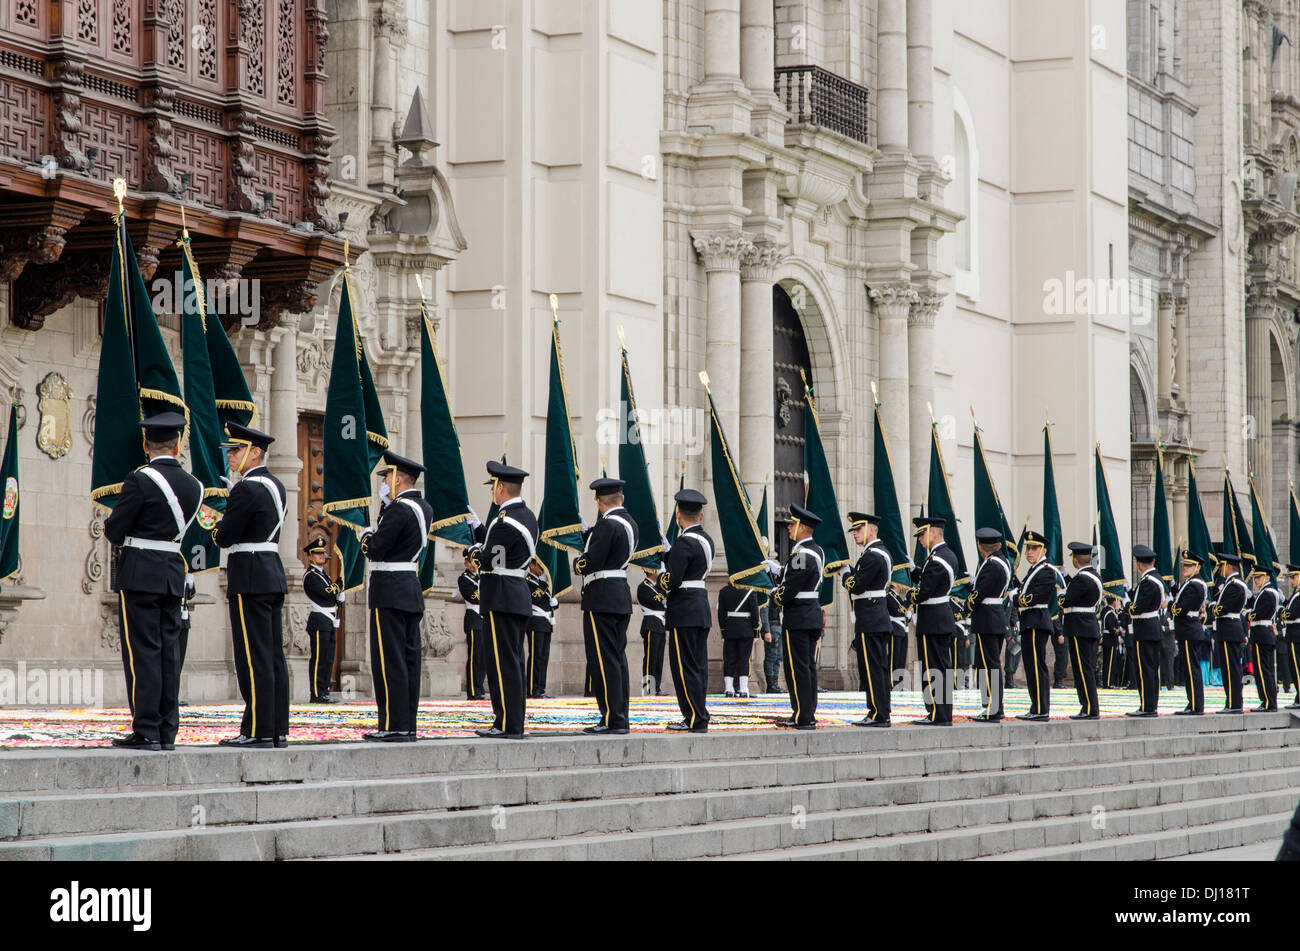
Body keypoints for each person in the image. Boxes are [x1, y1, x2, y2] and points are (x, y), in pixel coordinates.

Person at [103, 412, 204, 751]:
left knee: (142, 652)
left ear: (147, 445)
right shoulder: (195, 486)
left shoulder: (139, 479)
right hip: (172, 573)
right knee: (169, 654)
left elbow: (115, 531)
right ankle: (166, 730)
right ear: (177, 446)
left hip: (141, 573)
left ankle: (146, 729)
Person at [213, 422, 290, 749]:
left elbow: (224, 536)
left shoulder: (246, 489)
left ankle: (257, 729)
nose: (230, 457)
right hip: (269, 570)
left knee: (253, 656)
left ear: (255, 452)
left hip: (249, 574)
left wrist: (214, 522)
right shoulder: (276, 485)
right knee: (272, 655)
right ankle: (276, 729)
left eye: (236, 450)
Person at [358, 451, 435, 742]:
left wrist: (366, 533)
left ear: (399, 479)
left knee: (389, 661)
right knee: (408, 660)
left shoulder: (399, 509)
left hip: (389, 589)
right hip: (408, 586)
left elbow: (376, 548)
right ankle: (407, 724)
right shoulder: (422, 506)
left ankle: (392, 725)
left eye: (387, 477)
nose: (385, 482)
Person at [475, 460, 538, 739]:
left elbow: (492, 559)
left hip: (500, 595)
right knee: (513, 661)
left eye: (493, 486)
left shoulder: (504, 522)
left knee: (501, 663)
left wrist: (476, 552)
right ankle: (512, 722)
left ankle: (507, 724)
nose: (492, 492)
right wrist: (479, 530)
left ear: (500, 488)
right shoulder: (527, 516)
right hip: (515, 594)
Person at [572, 477, 637, 734]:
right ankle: (619, 715)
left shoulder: (607, 526)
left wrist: (579, 561)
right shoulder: (630, 523)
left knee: (603, 660)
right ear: (621, 499)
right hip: (619, 594)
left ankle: (612, 718)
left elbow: (590, 562)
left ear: (599, 502)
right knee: (617, 658)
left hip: (601, 596)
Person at [659, 488, 714, 732]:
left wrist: (662, 574)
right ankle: (699, 713)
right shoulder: (706, 541)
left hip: (684, 609)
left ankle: (692, 717)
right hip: (700, 605)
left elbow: (672, 581)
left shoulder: (684, 543)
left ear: (678, 516)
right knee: (698, 665)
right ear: (700, 516)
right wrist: (668, 553)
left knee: (684, 667)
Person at [774, 503, 826, 730]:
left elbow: (788, 589)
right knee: (807, 667)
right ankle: (808, 712)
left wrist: (775, 594)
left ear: (803, 528)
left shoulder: (801, 554)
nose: (788, 528)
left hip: (797, 616)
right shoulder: (817, 550)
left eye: (792, 524)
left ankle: (801, 715)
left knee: (797, 668)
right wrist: (778, 571)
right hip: (811, 613)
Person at [840, 512, 894, 726]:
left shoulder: (872, 555)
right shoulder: (878, 552)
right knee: (877, 667)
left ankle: (877, 714)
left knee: (871, 668)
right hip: (876, 616)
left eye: (858, 529)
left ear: (871, 529)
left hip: (870, 619)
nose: (854, 534)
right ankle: (881, 711)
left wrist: (845, 573)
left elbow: (857, 585)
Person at [910, 515, 959, 725]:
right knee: (940, 668)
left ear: (934, 532)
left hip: (933, 620)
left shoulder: (937, 559)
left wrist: (909, 594)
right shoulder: (944, 555)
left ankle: (937, 714)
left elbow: (924, 592)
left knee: (934, 669)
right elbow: (932, 580)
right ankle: (940, 713)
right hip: (939, 618)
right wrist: (916, 572)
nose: (920, 539)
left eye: (922, 534)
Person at [968, 527, 1012, 722]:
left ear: (980, 546)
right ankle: (993, 707)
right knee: (989, 664)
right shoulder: (1002, 562)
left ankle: (992, 709)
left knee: (989, 666)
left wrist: (966, 605)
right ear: (999, 545)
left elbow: (978, 594)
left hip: (987, 617)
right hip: (993, 616)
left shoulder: (992, 565)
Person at [1015, 530, 1058, 721]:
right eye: (1028, 548)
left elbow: (1034, 597)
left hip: (1036, 621)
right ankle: (1036, 706)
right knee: (1032, 666)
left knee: (1036, 666)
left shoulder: (1046, 570)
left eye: (1034, 548)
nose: (1029, 552)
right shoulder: (1034, 570)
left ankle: (1040, 709)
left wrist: (1016, 598)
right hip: (1030, 621)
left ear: (1043, 550)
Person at [1060, 541, 1104, 720]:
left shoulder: (1081, 579)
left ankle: (1088, 708)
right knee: (1086, 669)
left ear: (1075, 560)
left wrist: (1061, 597)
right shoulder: (1094, 576)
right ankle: (1090, 706)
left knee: (1082, 669)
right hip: (1088, 626)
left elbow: (1065, 601)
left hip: (1079, 627)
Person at [301, 536, 343, 703]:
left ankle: (324, 690)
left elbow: (332, 595)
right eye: (317, 554)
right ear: (311, 556)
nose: (321, 557)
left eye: (322, 554)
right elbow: (327, 592)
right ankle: (317, 693)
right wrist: (340, 584)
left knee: (328, 658)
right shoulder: (310, 576)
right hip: (319, 620)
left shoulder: (323, 574)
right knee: (319, 658)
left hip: (328, 620)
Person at [1126, 545, 1165, 717]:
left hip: (1145, 628)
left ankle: (1147, 706)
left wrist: (1127, 606)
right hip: (1151, 627)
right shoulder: (1155, 578)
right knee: (1150, 670)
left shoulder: (1148, 581)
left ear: (1138, 564)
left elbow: (1137, 608)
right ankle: (1150, 705)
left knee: (1145, 670)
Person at [1209, 548, 1248, 714]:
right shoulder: (1229, 584)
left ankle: (1234, 703)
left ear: (1227, 566)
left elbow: (1221, 609)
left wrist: (1212, 606)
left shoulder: (1235, 585)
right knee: (1227, 668)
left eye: (1222, 566)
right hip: (1227, 630)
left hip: (1230, 629)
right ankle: (1231, 702)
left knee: (1231, 668)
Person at [1170, 554, 1208, 714]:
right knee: (1190, 668)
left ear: (1198, 567)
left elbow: (1179, 609)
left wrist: (1172, 605)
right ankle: (1193, 703)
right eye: (1184, 565)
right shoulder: (1190, 584)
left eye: (1189, 565)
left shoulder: (1195, 585)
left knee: (1192, 669)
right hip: (1188, 629)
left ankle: (1195, 705)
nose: (1185, 568)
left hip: (1189, 629)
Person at [717, 582, 761, 697]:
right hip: (746, 630)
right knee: (744, 659)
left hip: (730, 629)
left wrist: (723, 630)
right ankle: (744, 689)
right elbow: (755, 614)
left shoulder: (724, 591)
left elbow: (721, 614)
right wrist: (756, 630)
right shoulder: (750, 591)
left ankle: (729, 688)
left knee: (729, 658)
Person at [457, 545, 489, 700]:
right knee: (475, 656)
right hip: (473, 618)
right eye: (469, 562)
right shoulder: (464, 579)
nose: (472, 565)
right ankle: (473, 690)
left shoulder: (482, 578)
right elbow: (473, 597)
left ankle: (479, 686)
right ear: (465, 563)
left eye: (474, 561)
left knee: (483, 656)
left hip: (483, 620)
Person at [1246, 568, 1280, 712]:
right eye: (1255, 578)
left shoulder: (1268, 593)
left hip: (1262, 633)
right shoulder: (1266, 592)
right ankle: (1268, 701)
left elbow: (1257, 614)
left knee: (1263, 670)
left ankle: (1268, 702)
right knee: (1265, 670)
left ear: (1266, 577)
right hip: (1262, 634)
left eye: (1259, 577)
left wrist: (1248, 614)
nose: (1256, 580)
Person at [526, 558, 557, 699]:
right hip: (535, 621)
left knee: (544, 657)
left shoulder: (544, 583)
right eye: (539, 565)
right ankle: (532, 689)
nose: (541, 569)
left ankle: (541, 688)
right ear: (531, 566)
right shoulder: (528, 580)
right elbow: (535, 597)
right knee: (536, 656)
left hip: (546, 622)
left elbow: (548, 602)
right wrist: (545, 584)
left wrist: (554, 602)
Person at [637, 570, 668, 695]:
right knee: (650, 658)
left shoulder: (659, 586)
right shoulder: (643, 587)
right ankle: (648, 688)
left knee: (659, 658)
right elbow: (656, 601)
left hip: (660, 623)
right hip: (651, 623)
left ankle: (657, 687)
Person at [763, 556, 785, 693]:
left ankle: (775, 683)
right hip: (772, 624)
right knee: (771, 656)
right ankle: (770, 684)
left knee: (778, 656)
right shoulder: (768, 590)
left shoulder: (778, 589)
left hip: (780, 624)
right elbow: (764, 611)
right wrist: (766, 630)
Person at [1283, 565, 1300, 709]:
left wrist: (1283, 612)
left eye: (1294, 577)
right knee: (1295, 668)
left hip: (1296, 633)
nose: (1292, 580)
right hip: (1293, 633)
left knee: (1297, 667)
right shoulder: (1296, 593)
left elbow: (1291, 613)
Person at [1100, 594, 1125, 688]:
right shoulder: (1109, 613)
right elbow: (1111, 628)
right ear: (1114, 601)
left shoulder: (1108, 610)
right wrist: (1120, 632)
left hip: (1109, 639)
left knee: (1109, 661)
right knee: (1109, 662)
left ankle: (1108, 682)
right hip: (1109, 639)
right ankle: (1107, 683)